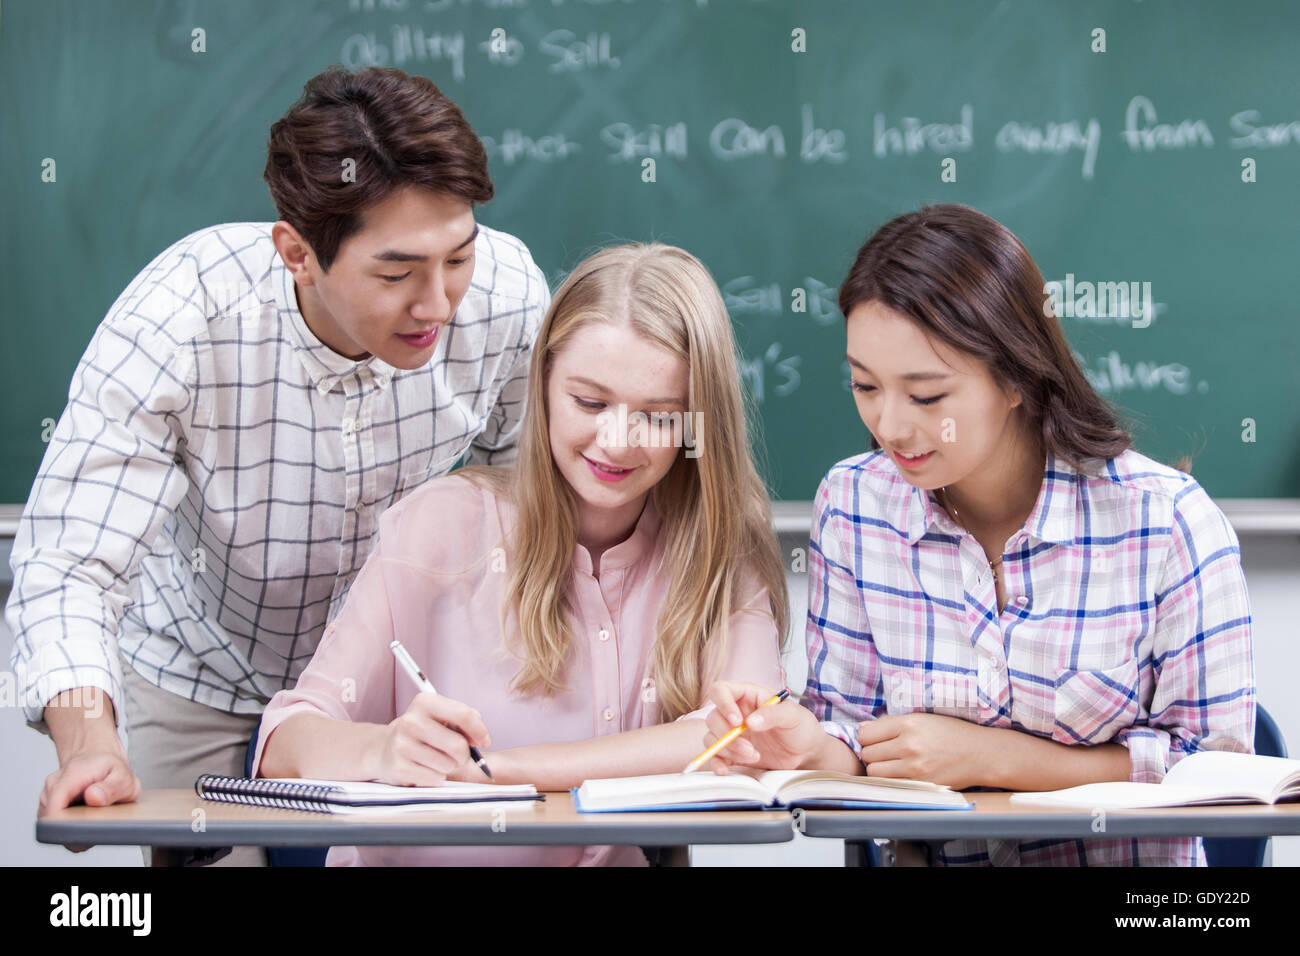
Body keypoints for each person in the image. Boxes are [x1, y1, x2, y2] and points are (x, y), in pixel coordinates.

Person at [6, 66, 551, 866]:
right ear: (297, 253)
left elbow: (537, 506)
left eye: (459, 258)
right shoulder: (184, 315)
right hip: (199, 672)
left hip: (388, 684)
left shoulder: (506, 299)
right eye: (397, 274)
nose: (438, 304)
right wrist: (88, 738)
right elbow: (68, 562)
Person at [701, 203, 1254, 866]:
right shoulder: (853, 506)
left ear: (1017, 375)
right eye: (864, 385)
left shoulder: (1165, 523)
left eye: (928, 396)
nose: (890, 426)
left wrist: (998, 757)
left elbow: (1219, 776)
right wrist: (811, 747)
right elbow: (851, 733)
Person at [253, 242, 789, 865]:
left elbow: (743, 737)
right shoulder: (444, 525)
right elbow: (284, 742)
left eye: (659, 416)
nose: (616, 441)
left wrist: (500, 771)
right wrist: (380, 751)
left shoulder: (718, 554)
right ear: (543, 385)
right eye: (589, 403)